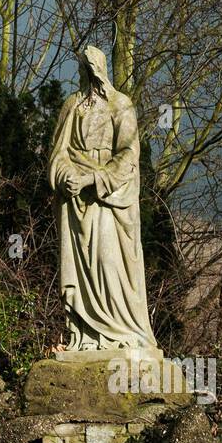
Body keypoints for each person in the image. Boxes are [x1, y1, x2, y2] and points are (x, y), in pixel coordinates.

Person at [48, 45, 157, 351]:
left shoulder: (120, 105)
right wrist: (65, 177)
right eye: (81, 69)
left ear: (97, 70)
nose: (83, 74)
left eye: (86, 68)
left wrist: (94, 179)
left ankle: (120, 333)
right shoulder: (72, 106)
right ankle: (85, 336)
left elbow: (129, 155)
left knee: (109, 262)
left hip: (107, 201)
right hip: (77, 205)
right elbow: (58, 154)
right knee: (82, 276)